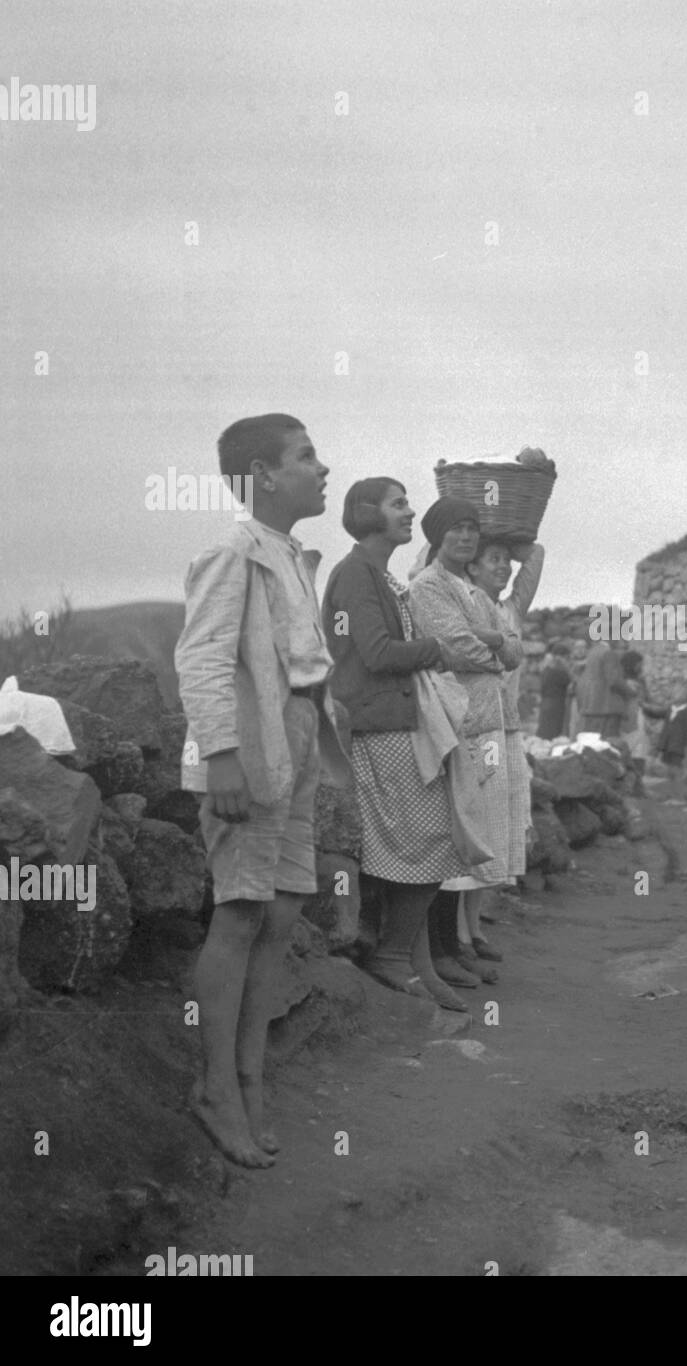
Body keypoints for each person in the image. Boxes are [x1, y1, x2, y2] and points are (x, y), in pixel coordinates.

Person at [175, 414, 351, 1170]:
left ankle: (251, 1078)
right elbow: (203, 658)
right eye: (307, 457)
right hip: (246, 756)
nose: (323, 468)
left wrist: (324, 750)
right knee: (241, 913)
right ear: (264, 474)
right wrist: (220, 756)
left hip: (294, 754)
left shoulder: (292, 557)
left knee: (279, 917)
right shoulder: (232, 552)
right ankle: (216, 1088)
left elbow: (304, 671)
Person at [322, 477, 489, 1014]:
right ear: (366, 512)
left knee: (424, 842)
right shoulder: (354, 574)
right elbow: (374, 653)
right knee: (427, 839)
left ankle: (406, 959)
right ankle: (393, 955)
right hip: (379, 723)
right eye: (398, 504)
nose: (409, 511)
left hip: (395, 719)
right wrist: (439, 647)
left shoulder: (378, 575)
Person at [409, 500, 522, 989]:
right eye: (456, 528)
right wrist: (494, 647)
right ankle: (440, 951)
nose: (467, 537)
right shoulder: (428, 586)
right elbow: (453, 647)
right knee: (453, 835)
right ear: (436, 536)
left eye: (473, 529)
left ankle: (457, 944)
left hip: (486, 724)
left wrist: (493, 643)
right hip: (456, 723)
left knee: (475, 838)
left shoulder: (474, 591)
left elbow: (514, 649)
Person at [467, 534, 545, 957]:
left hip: (507, 729)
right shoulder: (460, 604)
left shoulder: (510, 610)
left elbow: (536, 555)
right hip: (475, 728)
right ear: (471, 566)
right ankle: (458, 935)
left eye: (505, 561)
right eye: (492, 560)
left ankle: (474, 930)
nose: (504, 567)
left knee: (495, 829)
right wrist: (473, 540)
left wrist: (501, 536)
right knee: (474, 826)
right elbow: (427, 559)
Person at [579, 636, 630, 738]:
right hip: (607, 707)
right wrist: (630, 690)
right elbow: (614, 680)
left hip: (593, 706)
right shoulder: (609, 653)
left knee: (593, 742)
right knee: (607, 743)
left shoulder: (593, 651)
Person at [657, 684, 687, 786]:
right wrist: (661, 743)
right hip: (668, 744)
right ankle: (669, 790)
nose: (674, 696)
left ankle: (677, 792)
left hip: (679, 745)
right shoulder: (670, 709)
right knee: (668, 768)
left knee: (677, 768)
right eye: (674, 693)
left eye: (678, 693)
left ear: (684, 697)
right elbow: (665, 727)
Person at [538, 640, 573, 740]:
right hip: (556, 704)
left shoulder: (547, 668)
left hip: (546, 702)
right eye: (566, 657)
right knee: (552, 732)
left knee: (545, 731)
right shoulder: (559, 670)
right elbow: (570, 680)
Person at [564, 637, 589, 737]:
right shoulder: (568, 663)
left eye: (582, 647)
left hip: (586, 697)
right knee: (573, 721)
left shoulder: (590, 663)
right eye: (577, 647)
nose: (580, 650)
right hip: (573, 697)